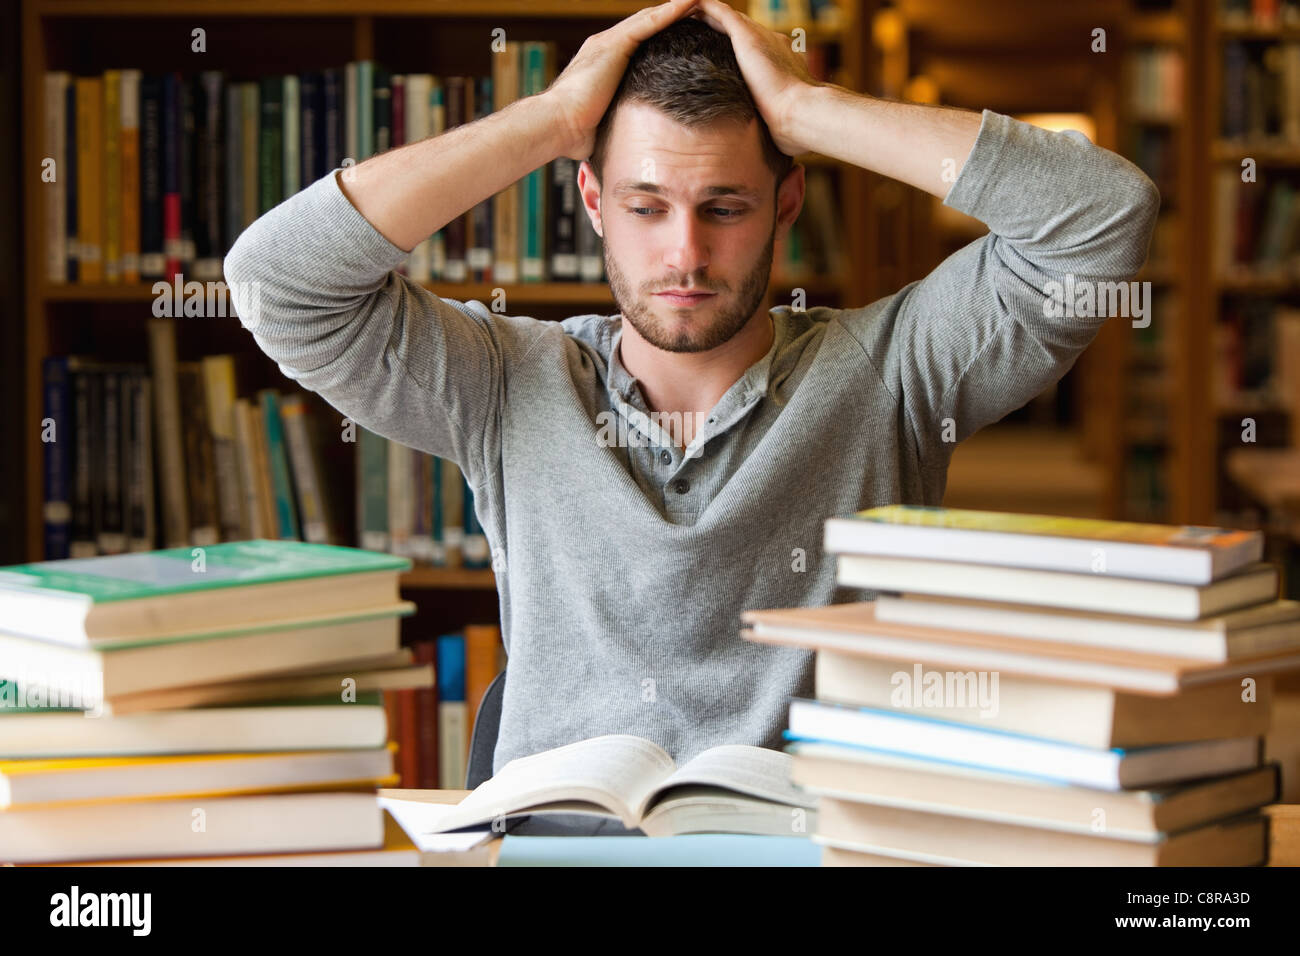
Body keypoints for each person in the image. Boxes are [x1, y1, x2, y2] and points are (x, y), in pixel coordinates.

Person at [225, 0, 1159, 813]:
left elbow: (1103, 221)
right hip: (558, 847)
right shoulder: (503, 382)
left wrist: (808, 110)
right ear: (590, 198)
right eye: (644, 206)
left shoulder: (895, 371)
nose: (684, 255)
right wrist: (552, 119)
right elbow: (276, 284)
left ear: (788, 201)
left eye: (725, 206)